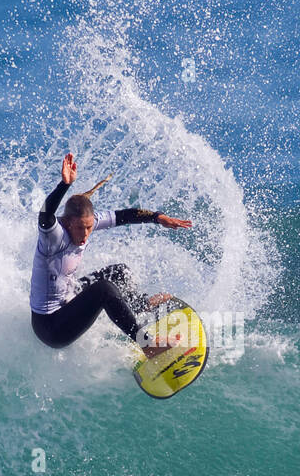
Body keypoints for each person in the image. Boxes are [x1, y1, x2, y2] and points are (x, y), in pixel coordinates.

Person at [30, 153, 192, 357]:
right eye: (80, 228)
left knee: (118, 272)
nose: (85, 234)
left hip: (68, 299)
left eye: (89, 227)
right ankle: (147, 344)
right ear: (68, 222)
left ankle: (138, 306)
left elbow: (124, 215)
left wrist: (158, 217)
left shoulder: (88, 222)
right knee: (104, 290)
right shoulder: (53, 236)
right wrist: (64, 185)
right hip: (51, 327)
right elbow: (44, 215)